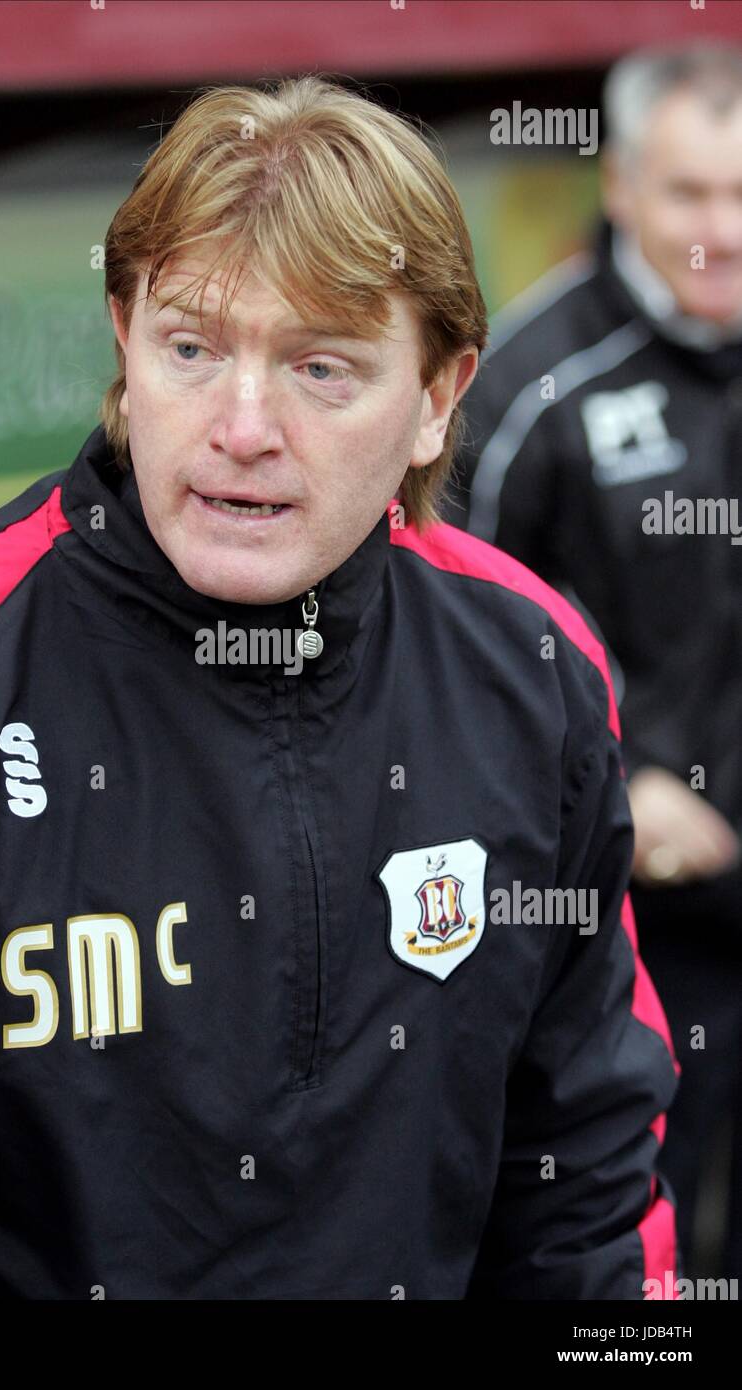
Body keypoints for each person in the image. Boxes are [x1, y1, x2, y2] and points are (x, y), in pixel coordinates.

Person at [0, 74, 678, 1299]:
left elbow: (589, 1169)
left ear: (440, 399)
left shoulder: (534, 669)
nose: (241, 425)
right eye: (192, 347)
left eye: (321, 369)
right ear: (124, 341)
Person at [448, 44, 742, 1280]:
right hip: (638, 924)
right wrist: (614, 794)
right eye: (689, 195)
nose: (720, 232)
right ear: (619, 187)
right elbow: (447, 655)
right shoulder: (532, 387)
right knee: (634, 1242)